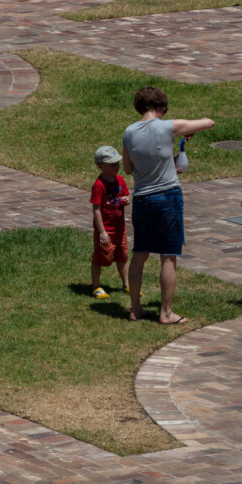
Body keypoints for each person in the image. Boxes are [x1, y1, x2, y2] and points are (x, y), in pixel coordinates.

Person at [123, 86, 214, 325]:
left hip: (142, 198)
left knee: (139, 254)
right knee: (168, 256)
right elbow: (209, 122)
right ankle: (166, 313)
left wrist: (166, 160)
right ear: (161, 106)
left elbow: (129, 169)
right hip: (167, 197)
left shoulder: (129, 132)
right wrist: (184, 131)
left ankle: (135, 309)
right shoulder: (166, 127)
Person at [88, 146, 129, 300]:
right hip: (106, 230)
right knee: (101, 257)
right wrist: (102, 231)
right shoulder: (99, 185)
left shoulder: (120, 180)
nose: (116, 167)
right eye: (112, 164)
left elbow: (125, 197)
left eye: (117, 163)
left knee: (123, 256)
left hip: (120, 228)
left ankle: (126, 284)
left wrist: (127, 200)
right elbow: (96, 209)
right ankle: (96, 286)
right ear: (100, 166)